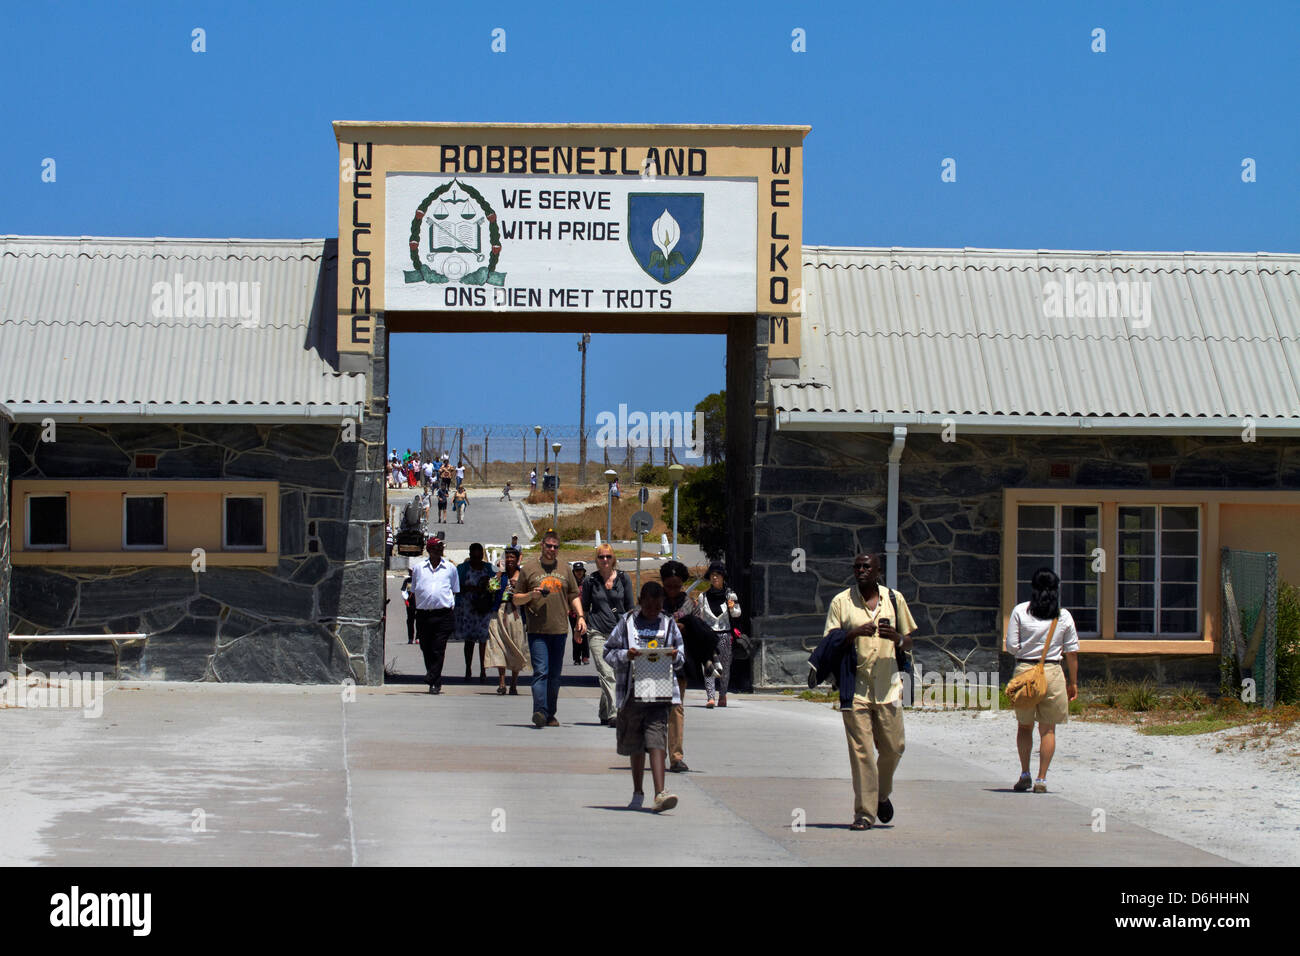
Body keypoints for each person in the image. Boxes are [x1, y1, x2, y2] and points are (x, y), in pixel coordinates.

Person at [822, 552, 917, 831]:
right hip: (856, 687)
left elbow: (911, 641)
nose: (861, 570)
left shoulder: (894, 600)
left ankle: (880, 795)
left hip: (888, 687)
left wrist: (898, 638)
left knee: (894, 747)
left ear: (878, 570)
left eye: (866, 566)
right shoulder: (841, 601)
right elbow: (830, 642)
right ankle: (864, 813)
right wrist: (853, 633)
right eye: (857, 566)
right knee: (862, 752)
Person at [603, 580, 684, 813]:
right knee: (636, 743)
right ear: (640, 603)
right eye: (649, 607)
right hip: (632, 692)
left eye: (658, 608)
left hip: (659, 691)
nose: (653, 612)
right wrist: (626, 655)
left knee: (657, 738)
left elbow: (681, 658)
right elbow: (608, 652)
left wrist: (673, 655)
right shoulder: (626, 624)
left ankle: (661, 793)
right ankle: (638, 792)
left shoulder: (669, 625)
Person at [1006, 567, 1079, 794]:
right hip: (1053, 670)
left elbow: (1011, 646)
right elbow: (1072, 652)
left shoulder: (1020, 611)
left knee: (1024, 726)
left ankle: (1025, 772)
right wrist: (1073, 682)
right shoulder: (1063, 616)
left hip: (1026, 670)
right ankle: (1042, 778)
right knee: (1048, 730)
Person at [513, 529, 585, 727]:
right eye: (548, 546)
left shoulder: (565, 569)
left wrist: (580, 616)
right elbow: (516, 598)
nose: (551, 550)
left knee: (554, 675)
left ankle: (550, 713)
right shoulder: (529, 569)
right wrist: (530, 596)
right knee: (541, 672)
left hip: (559, 630)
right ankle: (539, 711)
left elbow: (573, 595)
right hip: (537, 631)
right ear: (542, 546)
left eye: (555, 547)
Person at [583, 544, 634, 727]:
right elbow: (585, 606)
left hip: (618, 634)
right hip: (597, 632)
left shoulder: (623, 579)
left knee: (616, 674)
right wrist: (582, 624)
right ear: (596, 560)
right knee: (606, 673)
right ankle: (615, 714)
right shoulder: (590, 581)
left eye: (608, 556)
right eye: (601, 557)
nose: (605, 560)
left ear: (613, 558)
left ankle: (604, 712)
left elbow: (630, 607)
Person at [659, 560, 696, 772]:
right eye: (668, 586)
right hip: (655, 662)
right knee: (656, 710)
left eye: (677, 586)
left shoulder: (689, 605)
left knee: (676, 708)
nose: (673, 591)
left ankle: (676, 756)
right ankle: (656, 750)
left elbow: (700, 631)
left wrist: (686, 628)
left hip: (679, 663)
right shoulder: (654, 600)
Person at [411, 536, 459, 694]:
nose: (440, 550)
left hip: (443, 614)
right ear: (429, 550)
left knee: (439, 647)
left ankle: (433, 679)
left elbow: (454, 590)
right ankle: (434, 677)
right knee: (426, 647)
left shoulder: (450, 568)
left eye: (441, 548)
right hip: (424, 614)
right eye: (436, 548)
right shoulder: (418, 568)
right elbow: (415, 590)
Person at [696, 562, 742, 708]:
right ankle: (710, 697)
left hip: (725, 635)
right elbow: (699, 617)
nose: (715, 577)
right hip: (708, 635)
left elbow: (737, 614)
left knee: (725, 667)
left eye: (718, 575)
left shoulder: (730, 595)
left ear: (723, 577)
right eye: (712, 575)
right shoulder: (703, 597)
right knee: (708, 665)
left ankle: (722, 694)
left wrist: (732, 607)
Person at [485, 547, 529, 695]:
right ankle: (502, 683)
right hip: (499, 613)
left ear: (517, 559)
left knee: (516, 646)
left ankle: (514, 683)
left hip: (515, 614)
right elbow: (491, 589)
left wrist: (518, 588)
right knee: (499, 647)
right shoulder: (499, 575)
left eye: (512, 557)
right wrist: (498, 574)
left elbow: (529, 594)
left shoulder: (523, 576)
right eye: (507, 557)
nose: (510, 560)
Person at [457, 543, 495, 683]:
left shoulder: (488, 568)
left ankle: (483, 670)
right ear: (470, 554)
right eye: (474, 555)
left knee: (483, 641)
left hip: (484, 609)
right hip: (468, 609)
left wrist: (487, 584)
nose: (476, 558)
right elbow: (456, 586)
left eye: (479, 555)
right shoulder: (463, 568)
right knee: (469, 641)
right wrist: (470, 588)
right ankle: (468, 668)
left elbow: (494, 586)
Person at [569, 562, 588, 664]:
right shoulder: (571, 583)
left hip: (585, 612)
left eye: (580, 570)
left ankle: (585, 656)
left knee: (584, 634)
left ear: (583, 571)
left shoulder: (587, 582)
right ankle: (576, 658)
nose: (579, 572)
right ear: (574, 572)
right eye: (577, 571)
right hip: (573, 613)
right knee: (575, 634)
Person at [400, 571, 416, 643]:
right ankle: (410, 638)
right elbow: (404, 591)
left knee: (420, 621)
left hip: (420, 604)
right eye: (410, 572)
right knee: (410, 621)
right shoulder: (407, 581)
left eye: (412, 572)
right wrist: (406, 599)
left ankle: (418, 637)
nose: (411, 573)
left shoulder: (420, 580)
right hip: (411, 604)